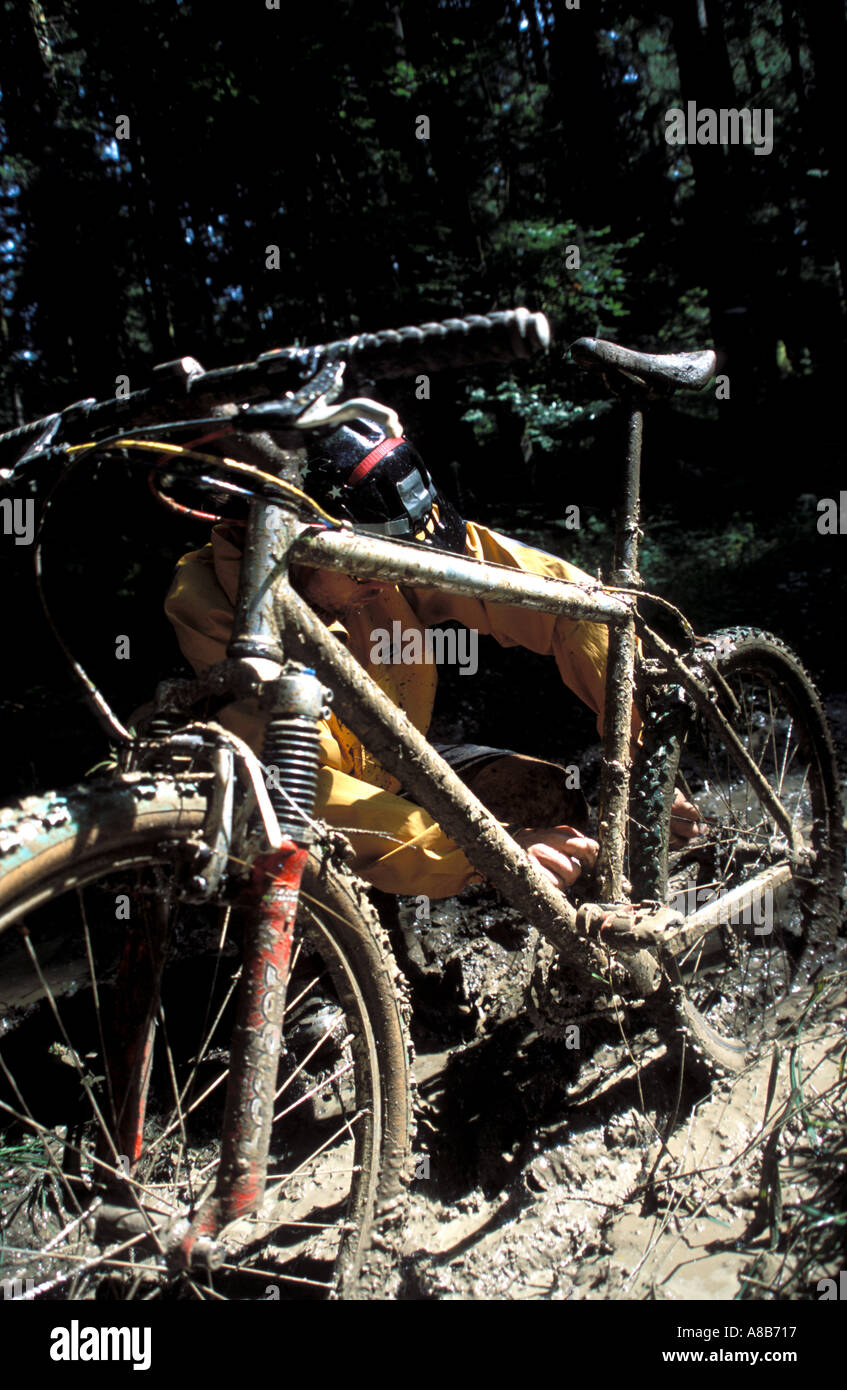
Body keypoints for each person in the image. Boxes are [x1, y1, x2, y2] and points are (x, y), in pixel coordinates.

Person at [164, 418, 701, 896]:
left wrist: (644, 763)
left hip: (393, 771)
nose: (385, 583)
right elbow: (303, 788)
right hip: (271, 808)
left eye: (395, 563)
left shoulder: (387, 550)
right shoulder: (214, 605)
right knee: (306, 939)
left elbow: (569, 606)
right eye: (359, 568)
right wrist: (491, 852)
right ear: (290, 543)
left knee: (551, 799)